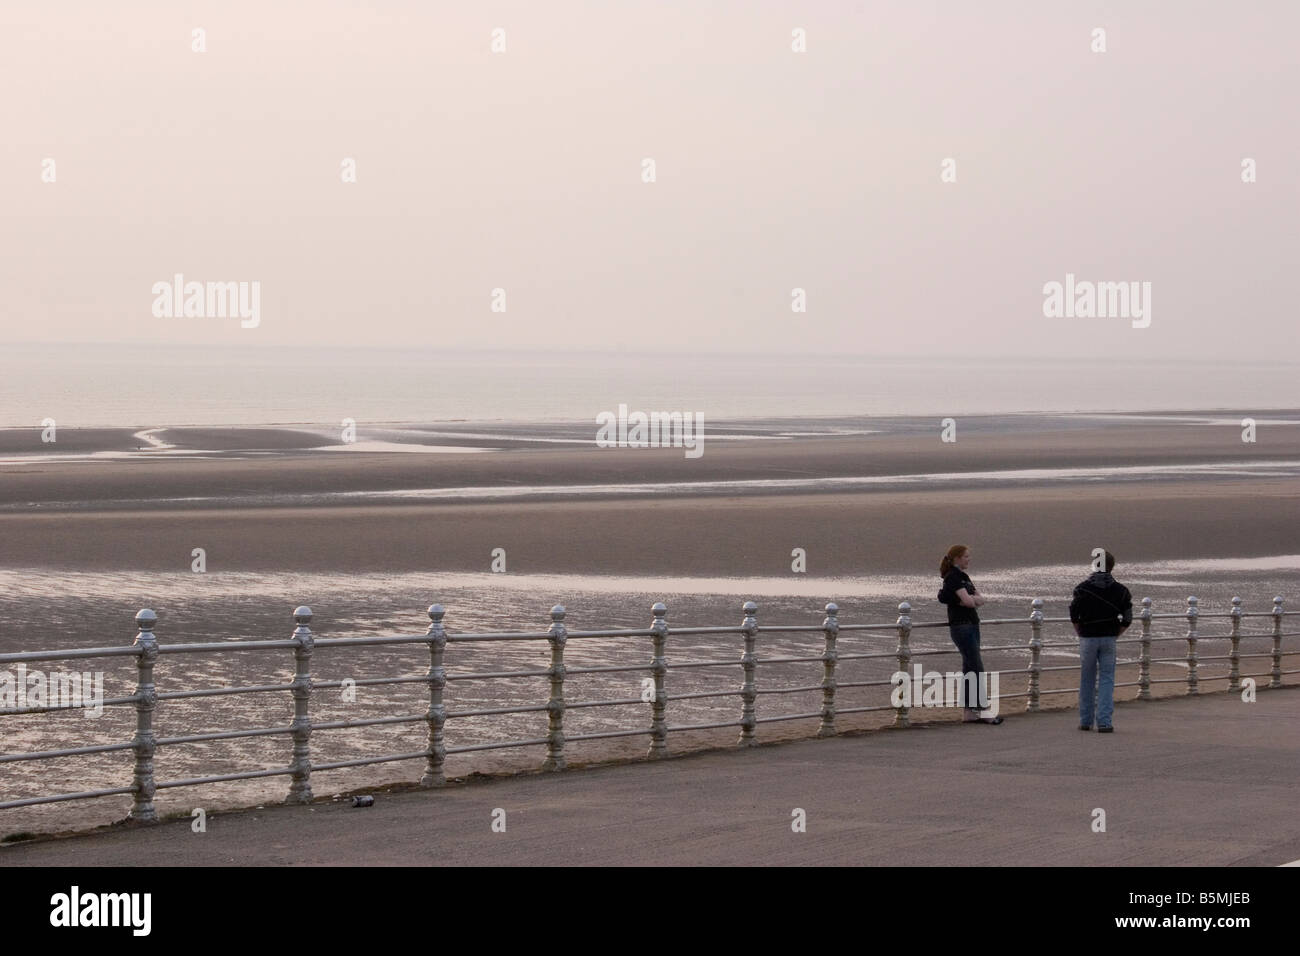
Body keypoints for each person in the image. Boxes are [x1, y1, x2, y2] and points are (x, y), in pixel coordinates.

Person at [1069, 549, 1133, 733]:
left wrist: (1080, 632)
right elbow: (1127, 617)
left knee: (1087, 679)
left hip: (1088, 637)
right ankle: (1104, 721)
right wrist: (1116, 633)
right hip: (1109, 638)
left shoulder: (1082, 589)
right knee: (1106, 679)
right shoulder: (1121, 591)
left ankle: (1085, 720)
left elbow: (1074, 613)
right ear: (1112, 567)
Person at [937, 544, 1001, 724]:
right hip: (961, 625)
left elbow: (980, 599)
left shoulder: (964, 577)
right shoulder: (953, 577)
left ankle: (969, 712)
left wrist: (970, 600)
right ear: (956, 558)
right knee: (976, 667)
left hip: (972, 624)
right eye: (966, 556)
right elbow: (970, 601)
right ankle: (984, 710)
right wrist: (968, 600)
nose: (968, 559)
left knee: (969, 667)